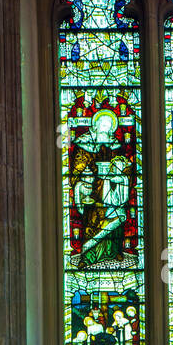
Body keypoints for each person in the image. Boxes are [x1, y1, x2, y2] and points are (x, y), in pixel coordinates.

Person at [66, 108, 132, 267]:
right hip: (92, 192)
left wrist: (118, 175)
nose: (106, 126)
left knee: (116, 216)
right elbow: (76, 170)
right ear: (95, 125)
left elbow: (126, 166)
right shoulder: (84, 145)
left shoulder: (115, 146)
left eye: (109, 124)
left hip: (113, 192)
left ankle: (113, 251)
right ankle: (88, 256)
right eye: (103, 123)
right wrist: (86, 179)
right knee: (93, 220)